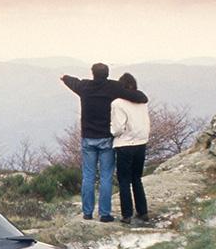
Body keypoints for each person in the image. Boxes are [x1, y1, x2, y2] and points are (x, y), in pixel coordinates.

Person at [60, 63, 148, 222]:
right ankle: (104, 214)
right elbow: (140, 97)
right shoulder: (113, 87)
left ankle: (87, 213)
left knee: (88, 176)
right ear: (107, 74)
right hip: (106, 138)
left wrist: (64, 77)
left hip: (88, 138)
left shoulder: (84, 86)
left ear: (92, 73)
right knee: (106, 176)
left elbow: (73, 81)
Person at [111, 72, 150, 227]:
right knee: (137, 179)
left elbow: (118, 127)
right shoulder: (142, 101)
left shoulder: (118, 103)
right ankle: (143, 211)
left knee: (124, 181)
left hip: (125, 144)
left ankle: (126, 215)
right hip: (141, 143)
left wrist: (112, 132)